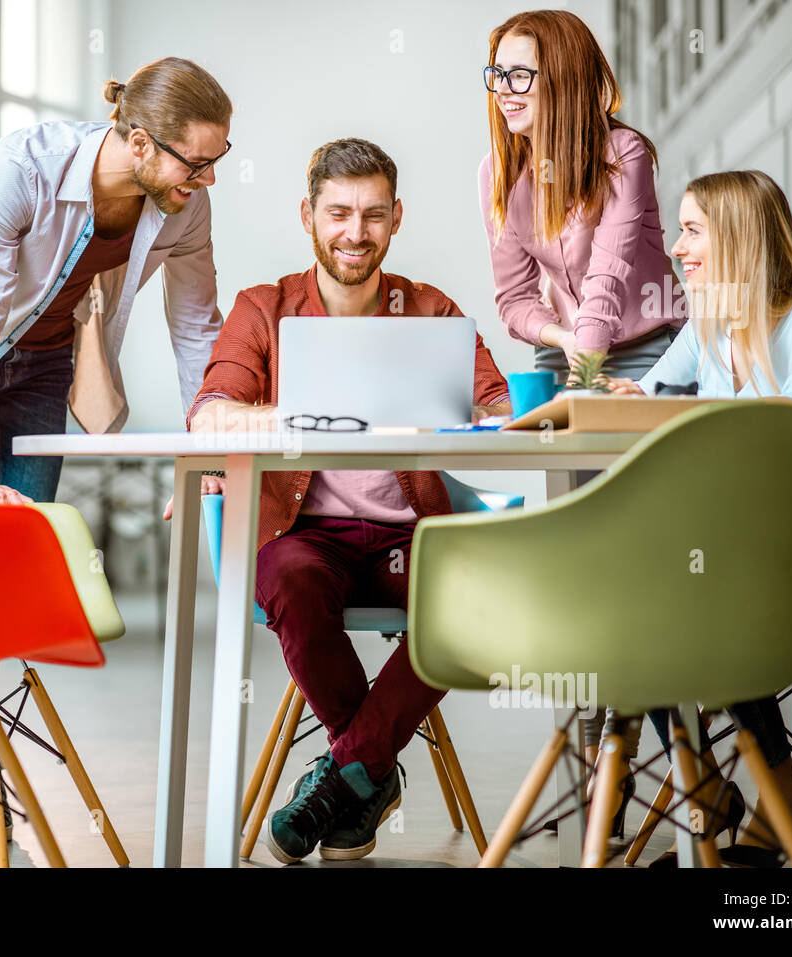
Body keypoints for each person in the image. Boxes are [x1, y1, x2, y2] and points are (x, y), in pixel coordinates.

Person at [0, 57, 233, 838]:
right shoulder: (20, 168)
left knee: (4, 566)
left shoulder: (182, 208)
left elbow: (196, 328)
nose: (206, 180)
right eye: (196, 162)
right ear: (139, 141)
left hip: (43, 366)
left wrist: (213, 443)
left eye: (218, 161)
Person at [187, 138, 511, 864]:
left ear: (396, 218)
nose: (354, 233)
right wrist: (302, 414)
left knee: (469, 596)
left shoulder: (430, 311)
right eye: (338, 213)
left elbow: (498, 406)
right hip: (311, 536)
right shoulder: (263, 308)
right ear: (308, 215)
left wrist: (479, 415)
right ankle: (367, 766)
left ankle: (348, 776)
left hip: (413, 540)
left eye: (372, 215)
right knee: (288, 578)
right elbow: (210, 410)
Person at [610, 169, 792, 866]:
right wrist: (619, 395)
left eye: (692, 230)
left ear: (738, 236)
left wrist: (695, 418)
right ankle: (718, 795)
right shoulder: (710, 327)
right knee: (647, 603)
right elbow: (648, 394)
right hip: (744, 555)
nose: (675, 247)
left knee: (699, 602)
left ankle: (760, 802)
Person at [478, 7, 686, 815]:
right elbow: (512, 297)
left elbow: (610, 273)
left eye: (519, 74)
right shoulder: (505, 172)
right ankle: (601, 742)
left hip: (640, 353)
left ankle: (668, 750)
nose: (503, 92)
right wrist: (560, 339)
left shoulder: (623, 154)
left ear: (561, 77)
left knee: (644, 554)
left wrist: (587, 352)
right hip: (561, 356)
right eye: (496, 75)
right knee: (580, 552)